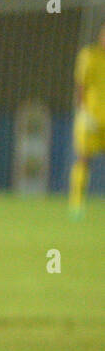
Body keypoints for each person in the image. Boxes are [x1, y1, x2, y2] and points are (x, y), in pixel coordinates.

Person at [70, 22, 105, 219]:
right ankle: (77, 203)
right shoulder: (89, 55)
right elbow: (81, 85)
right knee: (83, 158)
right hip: (91, 118)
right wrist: (82, 111)